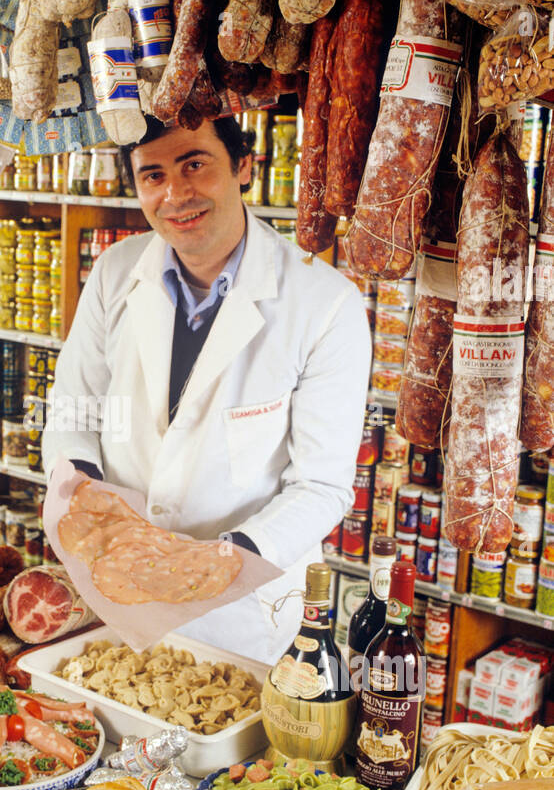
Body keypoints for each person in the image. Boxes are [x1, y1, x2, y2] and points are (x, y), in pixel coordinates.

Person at [41, 115, 372, 665]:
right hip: (114, 588)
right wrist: (79, 484)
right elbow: (76, 403)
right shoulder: (114, 271)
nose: (176, 194)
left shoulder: (325, 302)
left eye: (195, 164)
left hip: (239, 618)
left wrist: (220, 561)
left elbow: (321, 485)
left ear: (244, 166)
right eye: (152, 176)